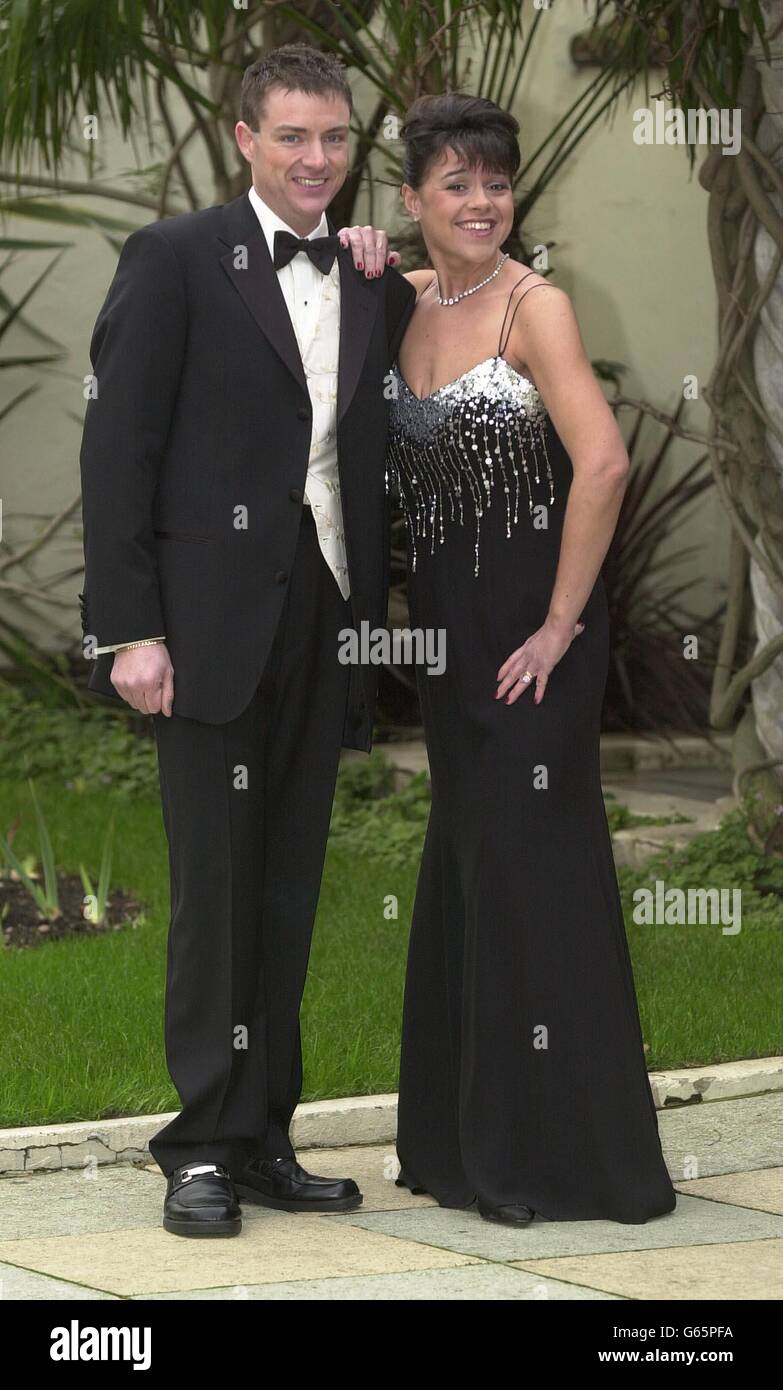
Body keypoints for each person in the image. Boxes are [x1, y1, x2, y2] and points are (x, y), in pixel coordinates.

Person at [78, 43, 416, 1237]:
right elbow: (117, 450)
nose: (316, 158)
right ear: (245, 140)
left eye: (334, 137)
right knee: (216, 892)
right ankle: (199, 1150)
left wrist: (385, 253)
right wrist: (129, 628)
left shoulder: (373, 277)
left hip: (326, 614)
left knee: (286, 886)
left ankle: (268, 1136)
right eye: (292, 137)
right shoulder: (173, 258)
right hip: (206, 625)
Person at [386, 93, 677, 1226]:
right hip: (449, 639)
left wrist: (561, 624)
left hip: (531, 638)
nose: (481, 202)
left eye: (496, 183)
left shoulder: (534, 306)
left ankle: (562, 1161)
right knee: (471, 861)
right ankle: (461, 1146)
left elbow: (601, 463)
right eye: (455, 184)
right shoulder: (403, 297)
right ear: (412, 199)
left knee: (532, 868)